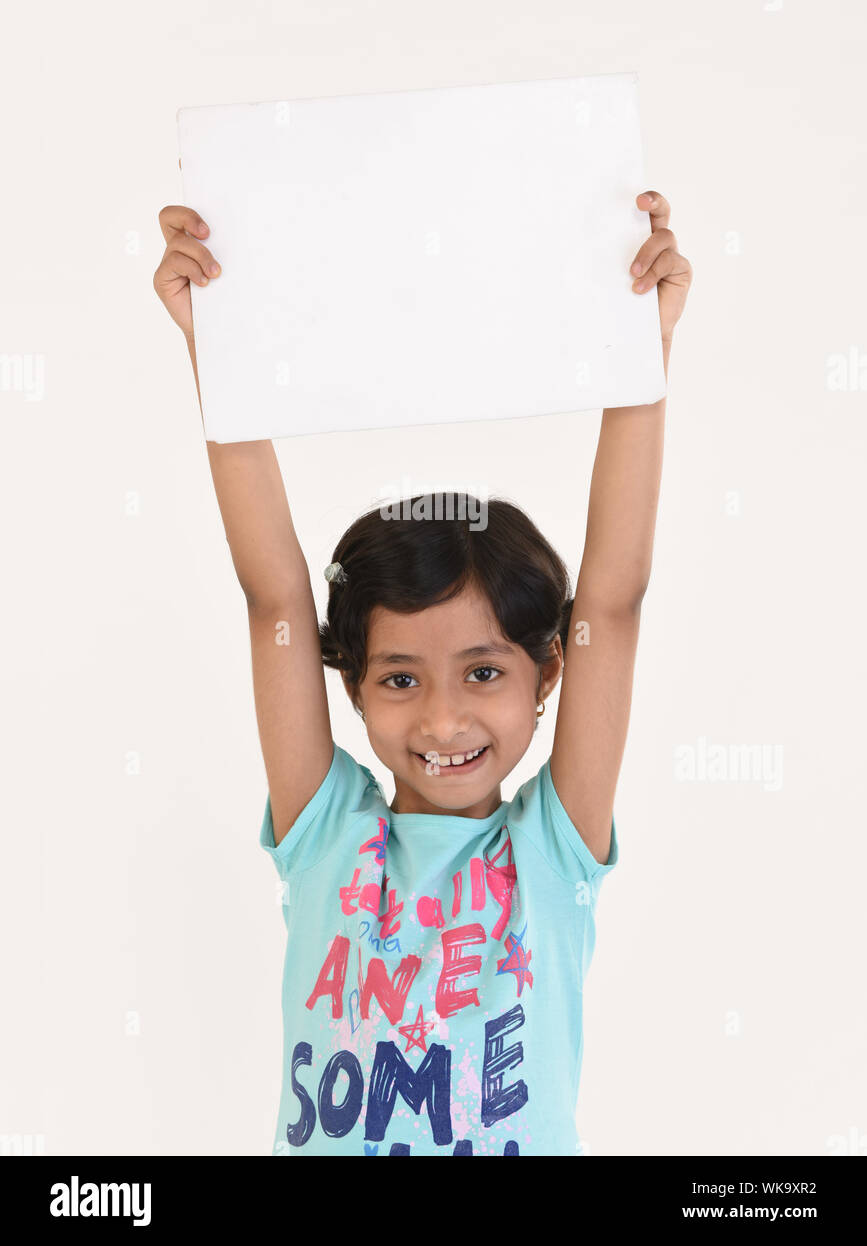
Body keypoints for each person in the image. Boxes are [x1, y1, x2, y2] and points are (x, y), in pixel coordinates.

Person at [152, 194, 693, 1155]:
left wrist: (636, 358)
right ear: (351, 686)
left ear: (547, 673)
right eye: (400, 679)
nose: (443, 719)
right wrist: (216, 347)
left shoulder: (550, 856)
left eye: (483, 671)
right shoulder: (328, 836)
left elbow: (610, 599)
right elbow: (276, 600)